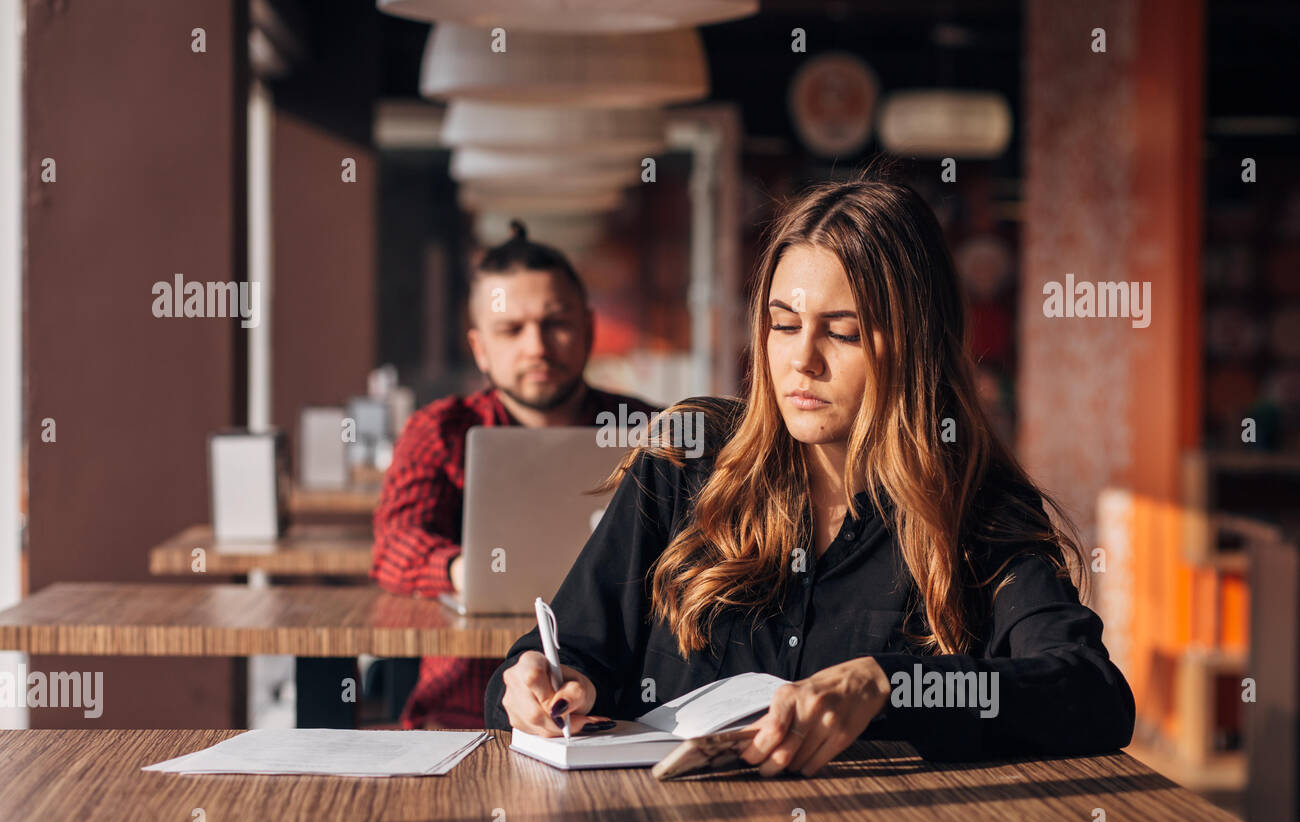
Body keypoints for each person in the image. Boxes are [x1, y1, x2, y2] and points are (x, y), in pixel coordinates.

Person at [484, 170, 1136, 773]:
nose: (803, 360)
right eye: (784, 325)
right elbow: (560, 656)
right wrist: (536, 682)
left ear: (916, 344)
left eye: (843, 333)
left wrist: (889, 683)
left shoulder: (976, 506)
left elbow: (1091, 694)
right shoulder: (685, 463)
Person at [372, 221, 660, 730]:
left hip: (616, 710)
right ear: (480, 348)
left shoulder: (648, 432)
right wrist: (466, 571)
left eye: (556, 323)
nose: (537, 347)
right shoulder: (441, 430)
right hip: (463, 710)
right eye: (511, 329)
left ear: (590, 329)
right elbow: (395, 542)